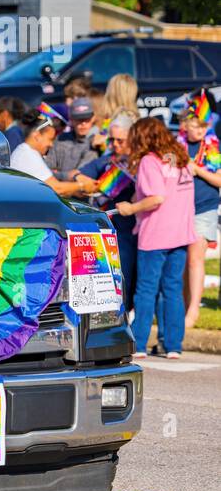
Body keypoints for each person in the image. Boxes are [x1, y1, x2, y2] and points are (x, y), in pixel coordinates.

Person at [118, 117, 195, 358]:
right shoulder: (178, 158)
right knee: (172, 289)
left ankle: (139, 343)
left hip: (156, 234)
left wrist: (130, 208)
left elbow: (156, 197)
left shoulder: (149, 161)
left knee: (146, 289)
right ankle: (173, 345)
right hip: (181, 233)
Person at [80, 110, 139, 298]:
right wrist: (89, 184)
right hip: (110, 230)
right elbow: (78, 173)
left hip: (133, 230)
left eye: (120, 141)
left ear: (132, 138)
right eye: (111, 140)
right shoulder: (108, 161)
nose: (114, 145)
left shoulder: (142, 162)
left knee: (129, 279)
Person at [177, 95, 221, 328]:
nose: (200, 130)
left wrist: (198, 170)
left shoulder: (214, 145)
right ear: (185, 124)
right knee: (183, 261)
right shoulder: (176, 145)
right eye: (196, 125)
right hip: (180, 208)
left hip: (204, 208)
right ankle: (184, 307)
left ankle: (193, 311)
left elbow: (219, 180)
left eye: (204, 125)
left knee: (196, 259)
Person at [9, 107, 97, 198]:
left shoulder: (25, 152)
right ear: (37, 136)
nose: (51, 145)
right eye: (50, 139)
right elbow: (56, 188)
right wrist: (82, 185)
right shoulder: (28, 155)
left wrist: (73, 191)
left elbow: (52, 186)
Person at [47, 96, 99, 178]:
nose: (83, 123)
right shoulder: (61, 139)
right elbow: (47, 171)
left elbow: (80, 176)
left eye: (87, 119)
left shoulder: (97, 143)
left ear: (93, 118)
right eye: (78, 119)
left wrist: (59, 175)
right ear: (71, 119)